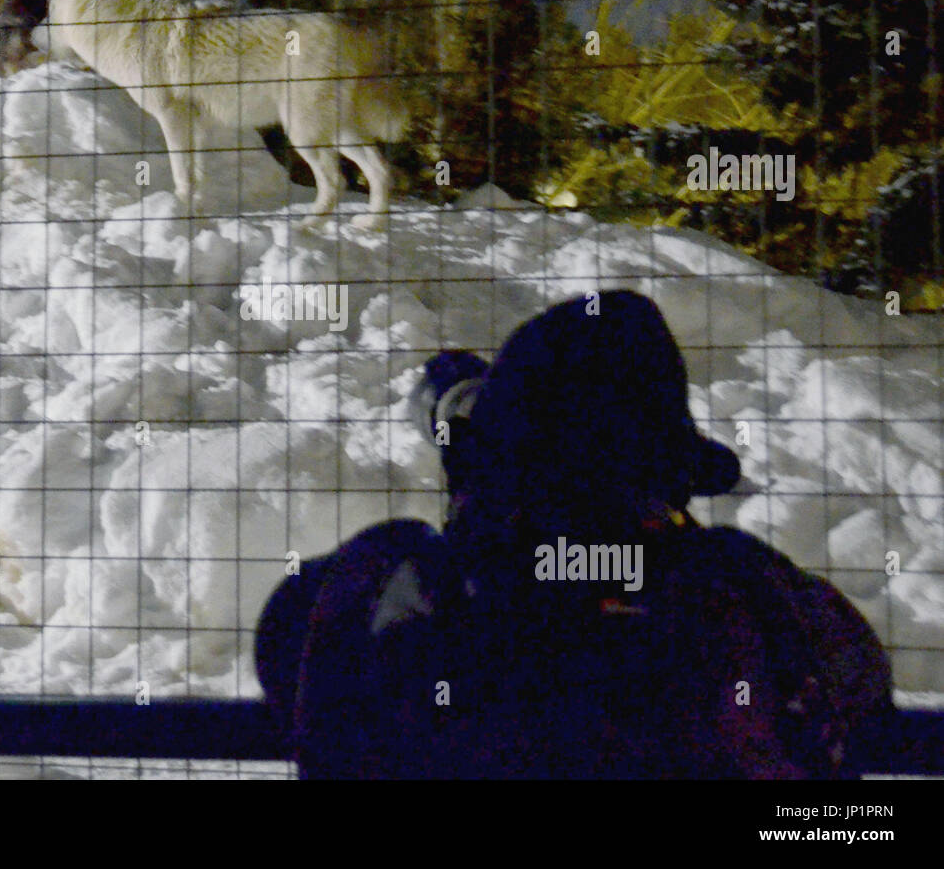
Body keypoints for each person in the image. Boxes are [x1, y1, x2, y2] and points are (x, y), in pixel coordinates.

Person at [255, 290, 893, 778]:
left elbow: (284, 639)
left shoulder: (397, 581)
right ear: (667, 476)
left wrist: (478, 500)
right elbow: (861, 680)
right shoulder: (745, 587)